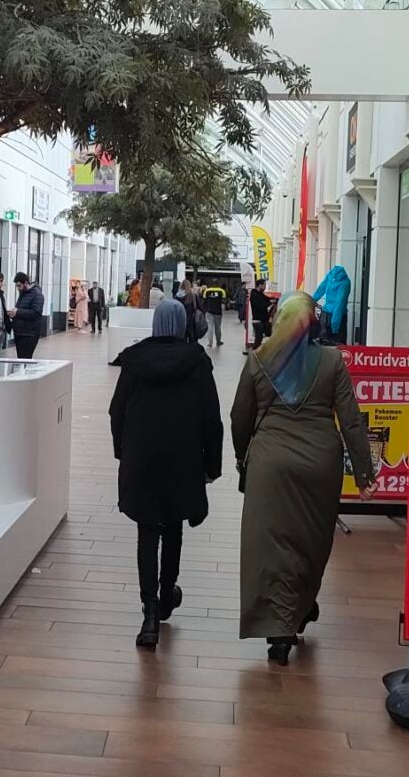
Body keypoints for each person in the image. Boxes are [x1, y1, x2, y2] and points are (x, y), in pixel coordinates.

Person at [231, 292, 378, 665]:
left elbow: (239, 417)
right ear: (312, 322)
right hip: (320, 465)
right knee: (310, 542)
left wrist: (241, 455)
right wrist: (364, 473)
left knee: (270, 548)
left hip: (270, 465)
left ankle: (278, 628)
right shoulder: (331, 362)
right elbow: (351, 419)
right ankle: (301, 609)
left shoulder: (259, 360)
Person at [110, 298, 222, 649]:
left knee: (147, 531)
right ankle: (166, 593)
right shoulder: (197, 362)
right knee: (173, 527)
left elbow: (116, 411)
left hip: (142, 458)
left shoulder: (134, 361)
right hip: (182, 459)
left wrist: (122, 452)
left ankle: (149, 614)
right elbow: (211, 419)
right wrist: (211, 467)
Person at [9, 272, 46, 358]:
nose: (18, 288)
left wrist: (18, 312)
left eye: (19, 286)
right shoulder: (23, 294)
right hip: (20, 333)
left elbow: (36, 313)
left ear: (26, 283)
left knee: (25, 358)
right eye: (17, 286)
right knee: (21, 358)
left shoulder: (37, 294)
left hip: (29, 334)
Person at [248, 281, 275, 350]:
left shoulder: (260, 294)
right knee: (258, 338)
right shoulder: (254, 295)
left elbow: (267, 298)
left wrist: (274, 299)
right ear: (260, 285)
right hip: (258, 320)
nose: (265, 287)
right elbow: (260, 305)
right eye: (264, 285)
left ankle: (256, 351)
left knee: (261, 337)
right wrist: (269, 303)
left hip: (262, 320)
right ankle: (254, 352)